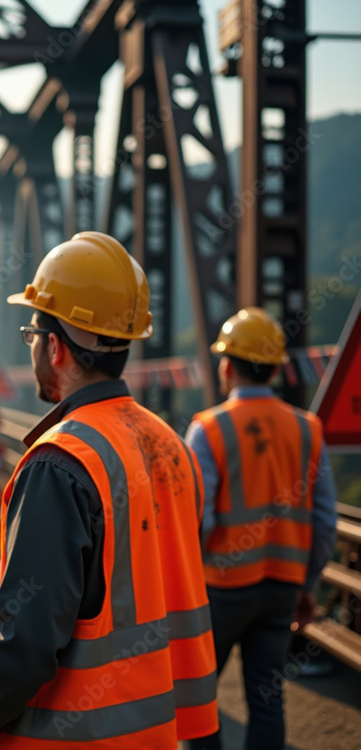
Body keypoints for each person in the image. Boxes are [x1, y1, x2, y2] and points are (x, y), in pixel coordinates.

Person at [0, 231, 218, 748]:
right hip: (161, 730)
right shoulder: (170, 443)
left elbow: (27, 642)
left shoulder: (60, 462)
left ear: (54, 347)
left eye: (32, 332)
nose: (30, 343)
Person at [186, 307, 337, 750]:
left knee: (198, 699)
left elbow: (203, 518)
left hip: (220, 587)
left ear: (228, 365)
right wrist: (308, 584)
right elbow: (325, 520)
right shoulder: (308, 429)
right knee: (268, 700)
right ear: (274, 369)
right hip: (282, 588)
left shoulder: (208, 429)